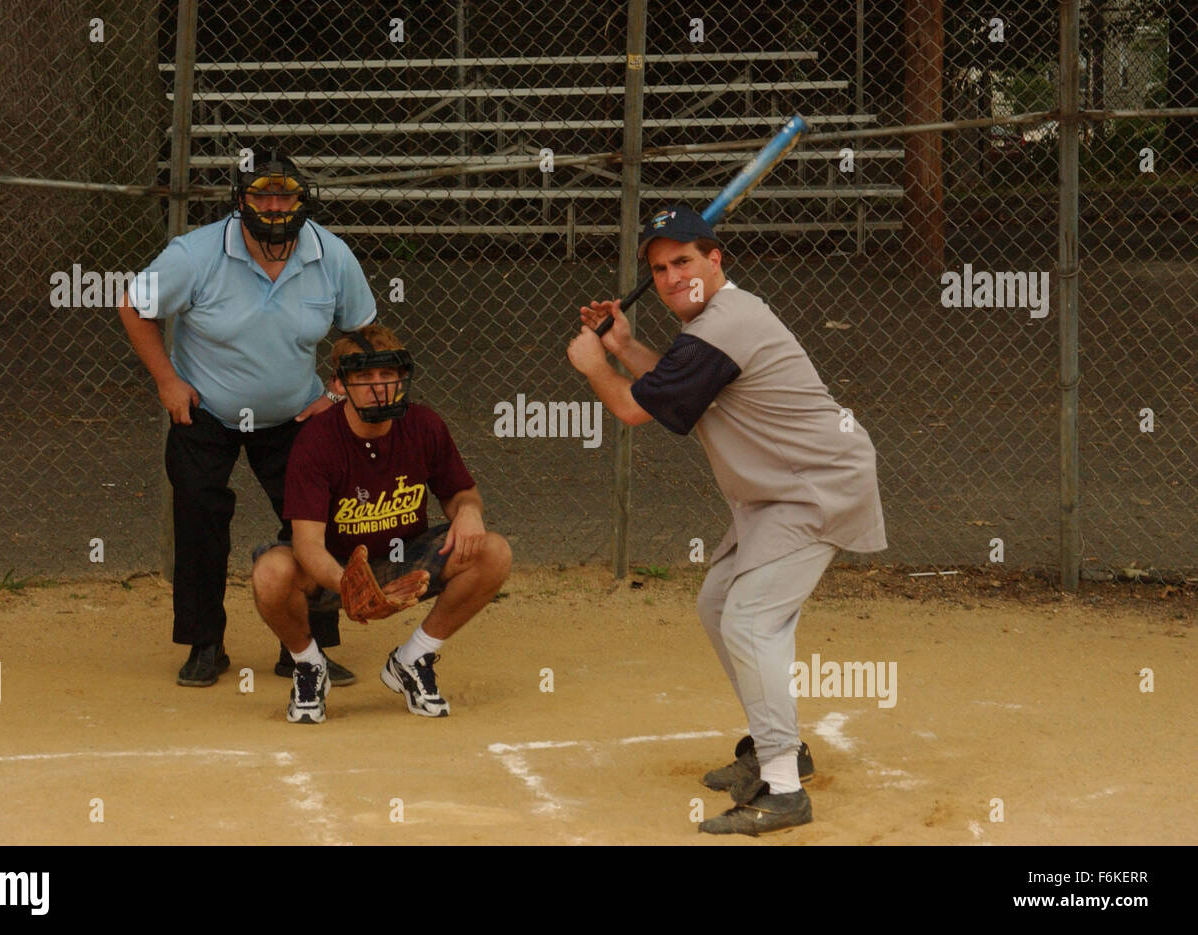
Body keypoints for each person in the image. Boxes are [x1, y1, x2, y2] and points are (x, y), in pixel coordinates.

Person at [566, 204, 887, 836]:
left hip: (816, 489)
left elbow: (635, 409)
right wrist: (624, 343)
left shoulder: (728, 323)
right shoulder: (713, 326)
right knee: (719, 604)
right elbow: (675, 387)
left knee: (750, 620)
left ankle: (786, 791)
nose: (670, 276)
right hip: (776, 496)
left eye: (684, 260)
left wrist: (594, 365)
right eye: (659, 268)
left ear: (716, 260)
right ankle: (781, 750)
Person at [117, 150, 375, 688]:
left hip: (295, 412)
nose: (276, 206)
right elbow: (133, 304)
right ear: (241, 200)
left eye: (286, 194)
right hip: (205, 410)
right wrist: (167, 380)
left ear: (303, 200)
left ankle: (304, 648)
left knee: (317, 524)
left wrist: (335, 392)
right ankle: (204, 644)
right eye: (263, 194)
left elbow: (363, 332)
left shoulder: (331, 254)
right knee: (200, 521)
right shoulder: (195, 254)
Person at [251, 324, 512, 723]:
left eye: (387, 375)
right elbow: (306, 544)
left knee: (492, 551)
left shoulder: (424, 425)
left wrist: (470, 512)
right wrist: (350, 585)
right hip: (338, 568)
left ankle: (413, 658)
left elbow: (461, 494)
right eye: (364, 377)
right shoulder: (317, 439)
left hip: (407, 559)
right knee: (270, 572)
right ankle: (308, 666)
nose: (378, 387)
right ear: (340, 383)